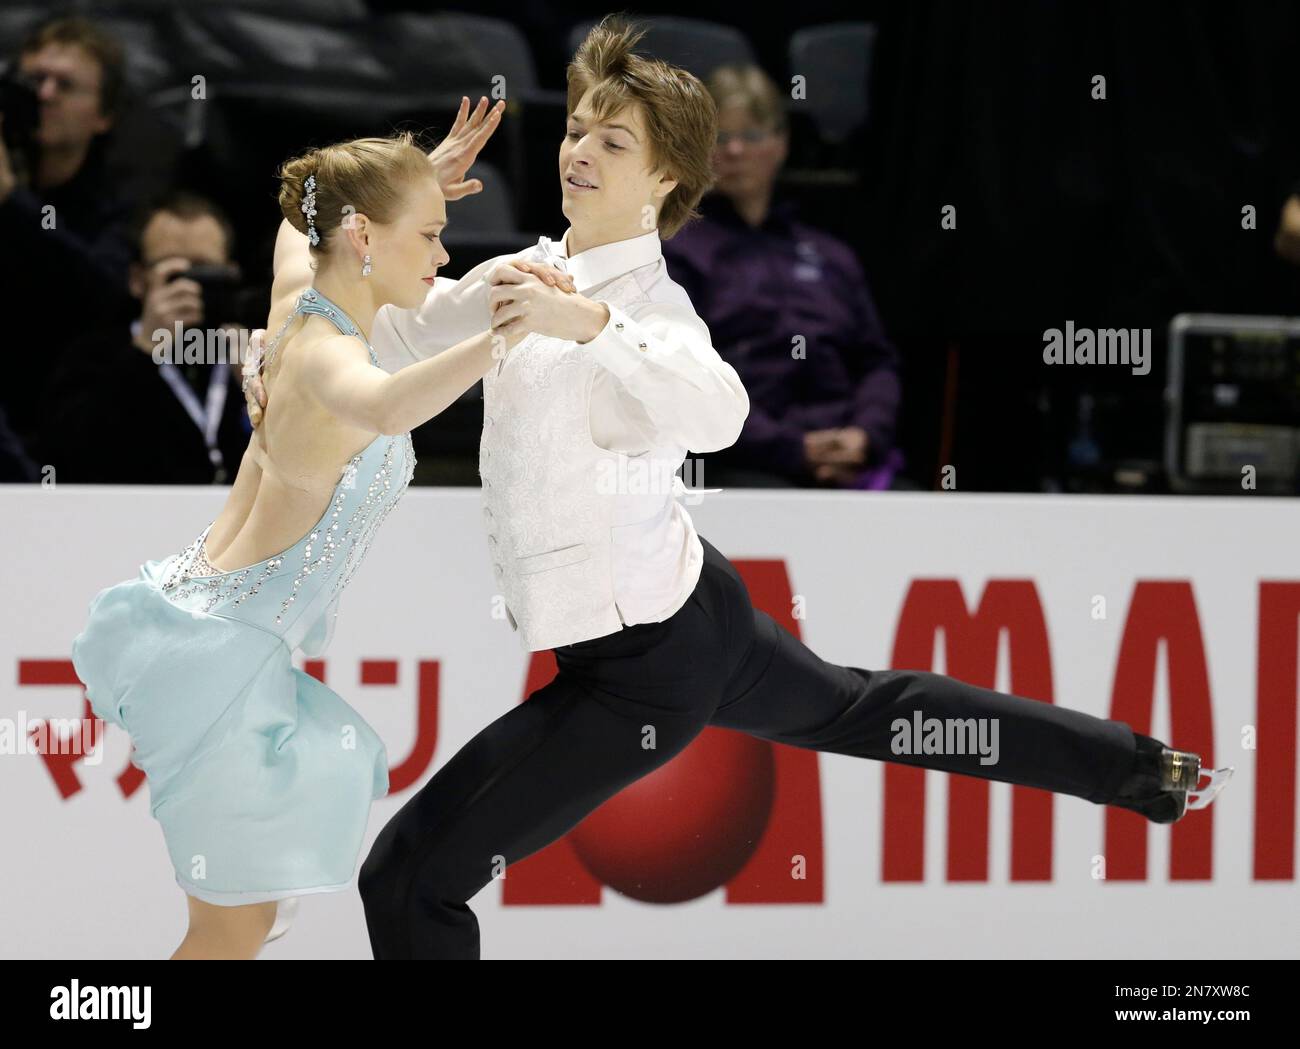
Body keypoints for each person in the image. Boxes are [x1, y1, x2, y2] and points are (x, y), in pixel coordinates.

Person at [249, 20, 1233, 962]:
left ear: (664, 178)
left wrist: (590, 323)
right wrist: (388, 218)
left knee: (411, 874)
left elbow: (718, 411)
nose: (579, 148)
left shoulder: (651, 307)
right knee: (871, 708)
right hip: (695, 609)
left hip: (644, 668)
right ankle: (1144, 770)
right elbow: (393, 340)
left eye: (614, 138)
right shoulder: (520, 274)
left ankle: (1138, 768)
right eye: (577, 126)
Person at [70, 104, 535, 959]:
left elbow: (301, 214)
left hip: (218, 639)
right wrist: (505, 330)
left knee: (244, 920)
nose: (442, 254)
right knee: (231, 928)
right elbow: (390, 404)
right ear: (364, 236)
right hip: (220, 666)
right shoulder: (327, 356)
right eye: (431, 232)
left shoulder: (301, 299)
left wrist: (419, 174)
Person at [662, 64, 906, 490]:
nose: (735, 150)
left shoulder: (830, 255)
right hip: (740, 463)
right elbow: (681, 376)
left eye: (752, 136)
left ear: (780, 144)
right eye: (720, 138)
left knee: (913, 506)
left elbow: (876, 362)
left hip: (848, 456)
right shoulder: (678, 252)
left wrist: (866, 435)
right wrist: (792, 448)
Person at [33, 191, 251, 484]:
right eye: (172, 270)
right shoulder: (93, 355)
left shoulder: (255, 351)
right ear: (137, 280)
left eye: (203, 269)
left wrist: (260, 386)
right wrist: (144, 351)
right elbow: (66, 454)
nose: (188, 285)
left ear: (230, 274)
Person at [0, 15, 138, 445]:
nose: (44, 95)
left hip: (70, 425)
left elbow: (109, 295)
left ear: (103, 117)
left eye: (65, 85)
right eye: (34, 80)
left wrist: (13, 202)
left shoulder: (119, 204)